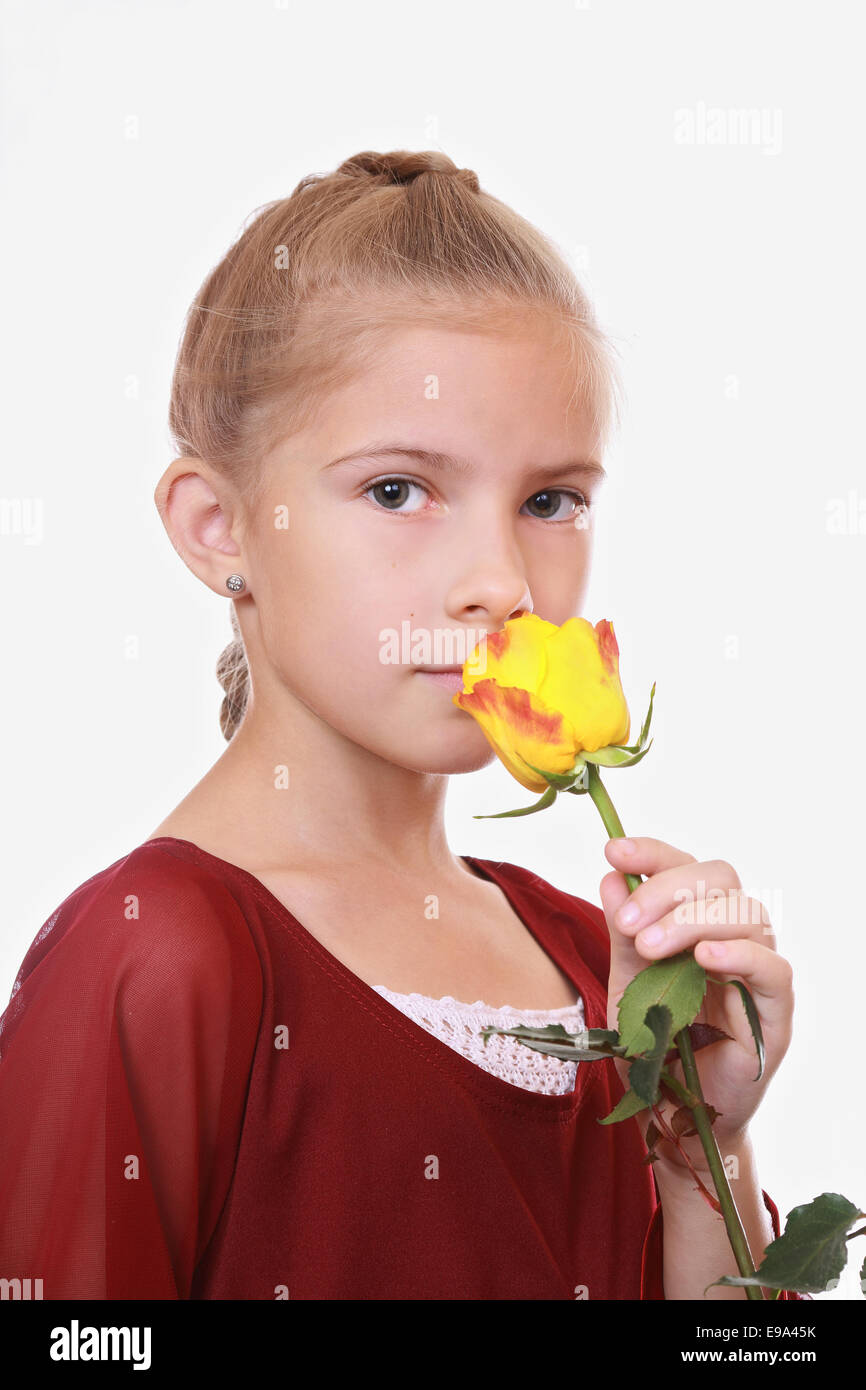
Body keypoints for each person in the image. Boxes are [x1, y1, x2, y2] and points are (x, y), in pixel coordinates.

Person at [0, 149, 806, 1300]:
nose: (500, 581)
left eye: (548, 501)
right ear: (218, 525)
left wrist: (701, 1158)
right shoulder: (156, 954)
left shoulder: (592, 961)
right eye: (396, 490)